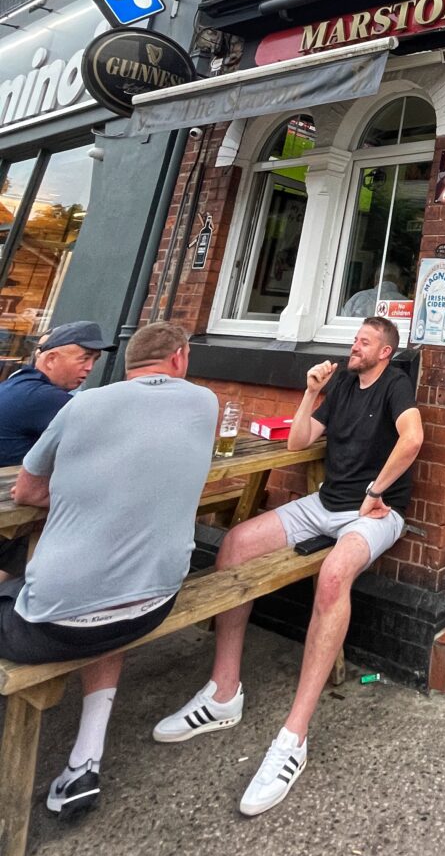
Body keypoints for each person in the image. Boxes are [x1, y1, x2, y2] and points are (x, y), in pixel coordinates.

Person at [154, 316, 423, 816]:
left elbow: (412, 439)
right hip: (325, 503)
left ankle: (293, 737)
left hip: (377, 512)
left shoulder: (395, 384)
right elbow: (298, 442)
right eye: (355, 339)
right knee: (235, 543)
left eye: (363, 342)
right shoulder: (342, 382)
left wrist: (375, 491)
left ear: (385, 351)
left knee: (335, 574)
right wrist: (309, 392)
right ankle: (223, 692)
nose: (353, 347)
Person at [1, 322, 217, 819]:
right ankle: (84, 759)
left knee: (53, 585)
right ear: (181, 359)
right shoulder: (205, 403)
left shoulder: (81, 406)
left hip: (56, 623)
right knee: (113, 583)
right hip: (152, 606)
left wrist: (87, 490)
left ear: (124, 365)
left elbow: (27, 493)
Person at [0, 321, 115, 581]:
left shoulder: (19, 382)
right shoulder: (47, 399)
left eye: (94, 360)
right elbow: (110, 441)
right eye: (84, 358)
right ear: (51, 359)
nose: (89, 368)